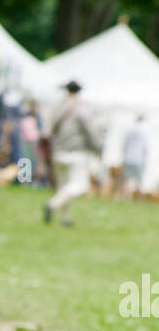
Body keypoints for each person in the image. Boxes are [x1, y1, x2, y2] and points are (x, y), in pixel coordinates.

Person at [44, 80, 103, 225]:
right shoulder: (81, 109)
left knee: (63, 187)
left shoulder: (57, 107)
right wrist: (97, 148)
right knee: (80, 185)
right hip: (77, 153)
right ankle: (53, 204)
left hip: (58, 151)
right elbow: (90, 131)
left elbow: (49, 130)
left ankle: (66, 218)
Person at [122, 115, 148, 199]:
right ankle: (139, 197)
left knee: (127, 179)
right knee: (139, 179)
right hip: (139, 158)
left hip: (128, 157)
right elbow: (145, 146)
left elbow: (125, 144)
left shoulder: (129, 129)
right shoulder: (144, 130)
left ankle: (127, 197)